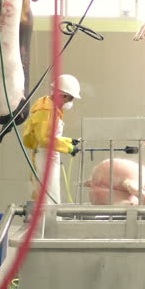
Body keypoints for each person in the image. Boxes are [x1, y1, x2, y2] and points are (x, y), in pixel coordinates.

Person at [22, 74, 82, 204]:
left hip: (48, 155)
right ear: (63, 95)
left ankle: (49, 221)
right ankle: (48, 222)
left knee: (51, 194)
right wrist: (69, 148)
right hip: (45, 157)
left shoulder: (51, 107)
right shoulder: (47, 110)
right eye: (70, 98)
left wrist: (68, 141)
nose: (70, 102)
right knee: (49, 196)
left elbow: (51, 135)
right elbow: (45, 138)